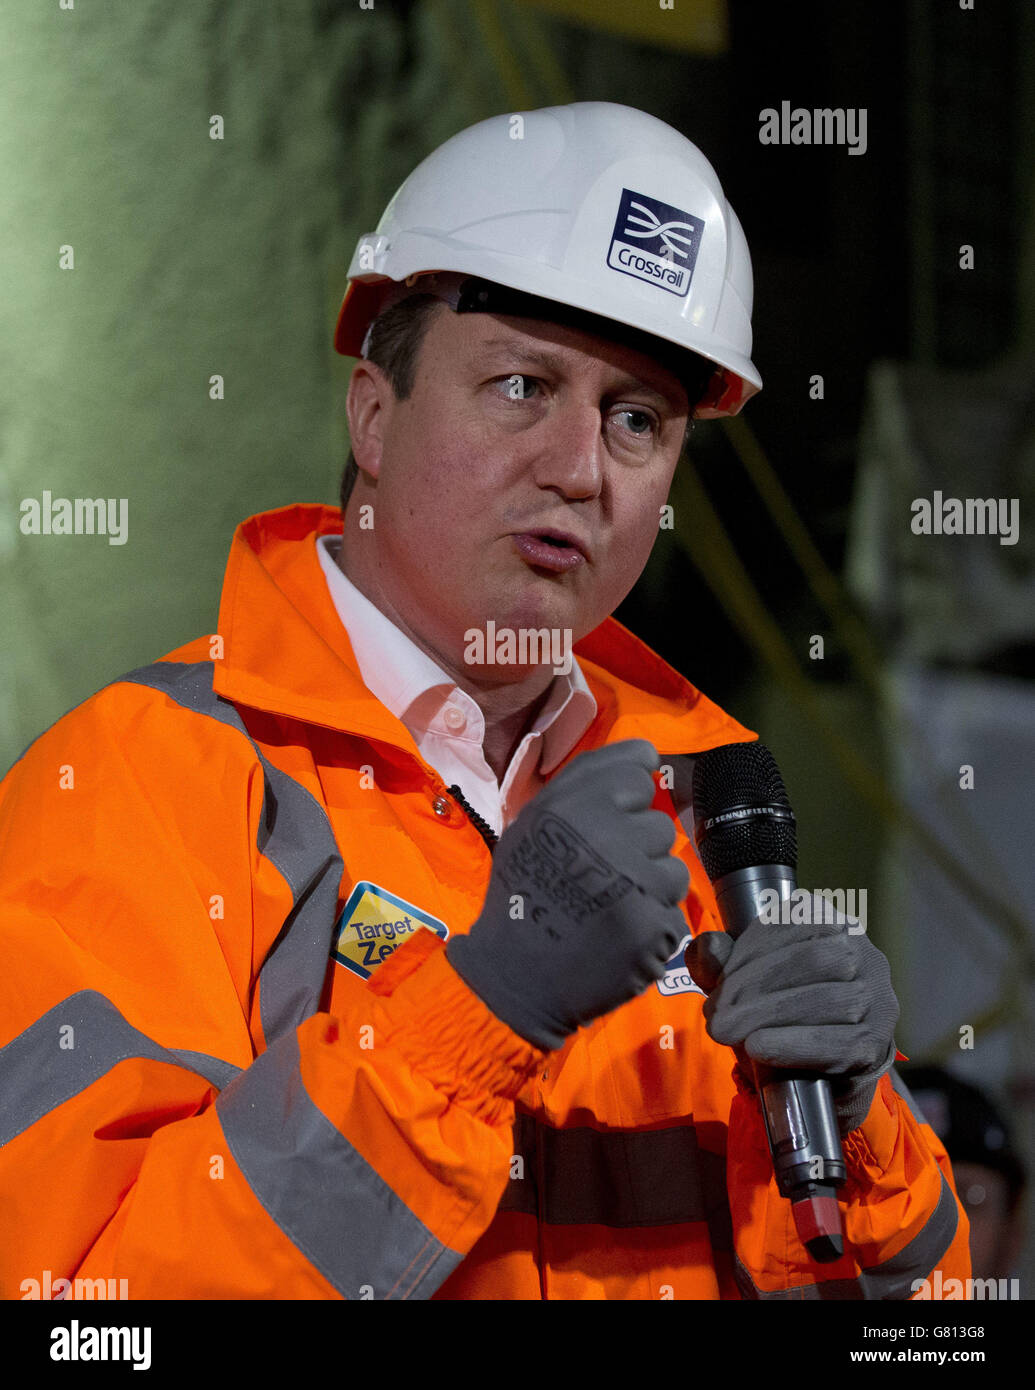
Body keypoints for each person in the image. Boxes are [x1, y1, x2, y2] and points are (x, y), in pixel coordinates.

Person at [0, 101, 969, 1300]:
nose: (580, 468)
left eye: (636, 420)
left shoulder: (709, 807)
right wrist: (476, 1014)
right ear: (372, 411)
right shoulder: (141, 784)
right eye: (521, 385)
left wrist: (868, 1142)